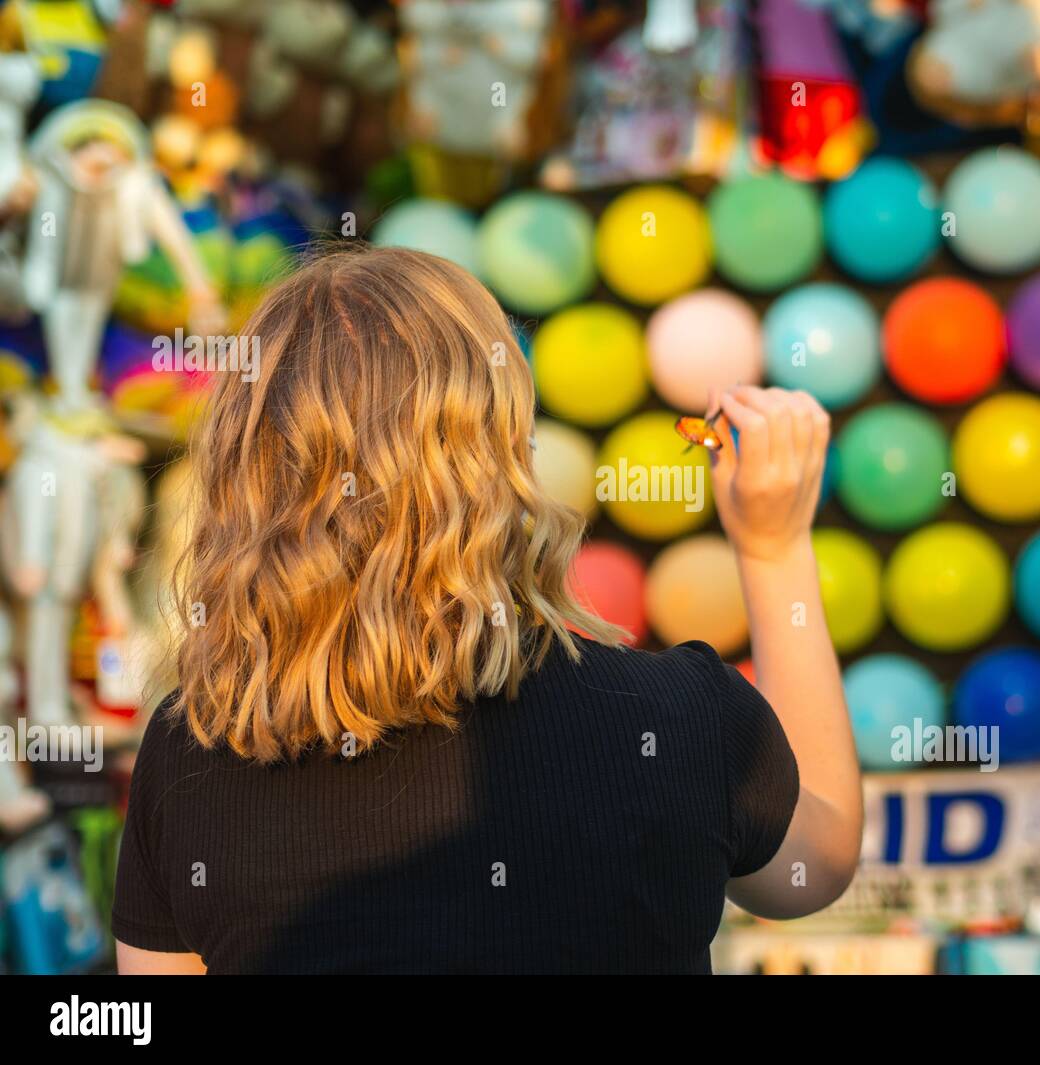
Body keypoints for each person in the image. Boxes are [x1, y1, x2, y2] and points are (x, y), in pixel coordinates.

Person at [112, 245, 863, 975]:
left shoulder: (191, 754)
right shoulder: (674, 719)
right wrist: (773, 549)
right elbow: (816, 862)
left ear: (242, 470)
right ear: (505, 449)